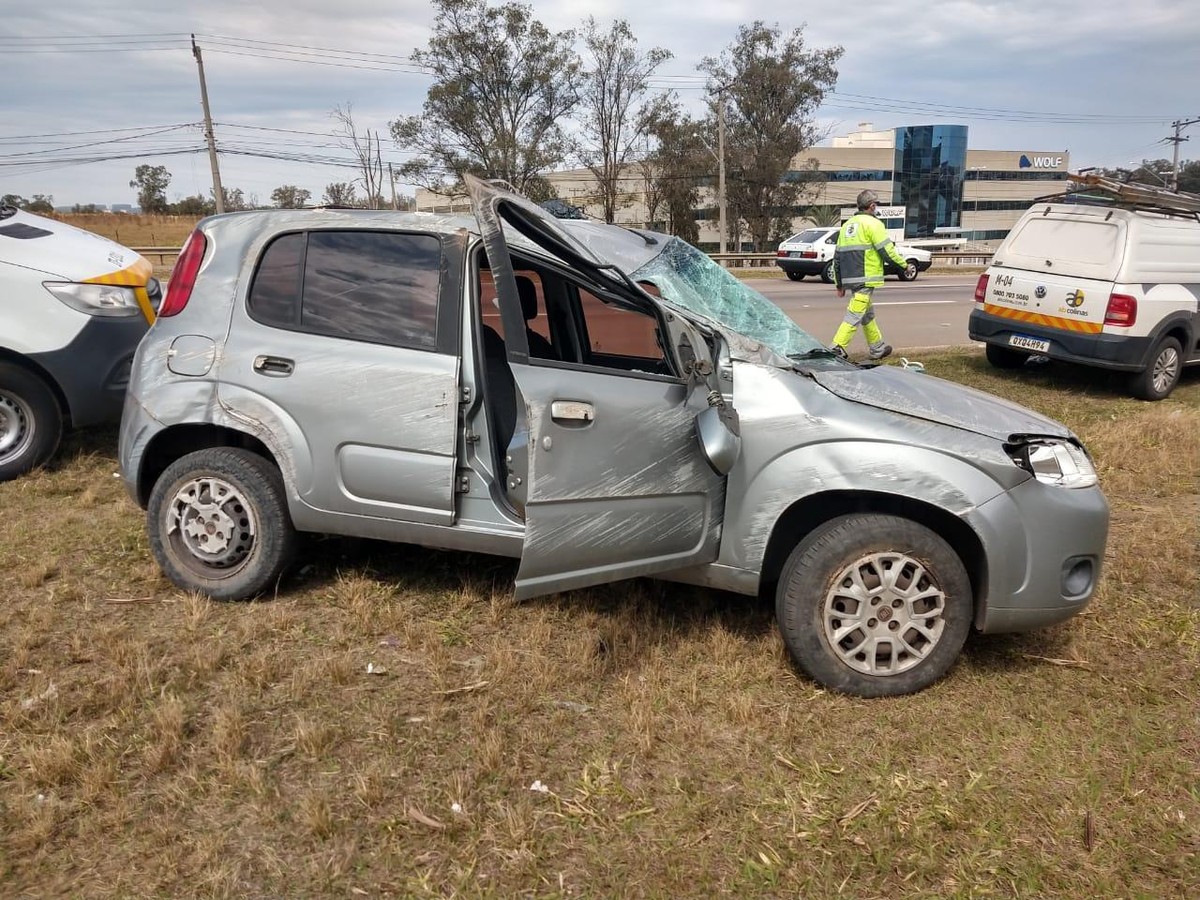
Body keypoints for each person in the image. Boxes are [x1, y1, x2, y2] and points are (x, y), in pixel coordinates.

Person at [829, 189, 909, 360]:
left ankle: (877, 347)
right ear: (872, 206)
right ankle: (837, 347)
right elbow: (887, 251)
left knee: (867, 314)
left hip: (850, 278)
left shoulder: (847, 226)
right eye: (876, 205)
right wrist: (904, 265)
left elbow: (837, 257)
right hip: (866, 277)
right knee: (855, 313)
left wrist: (839, 284)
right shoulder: (874, 224)